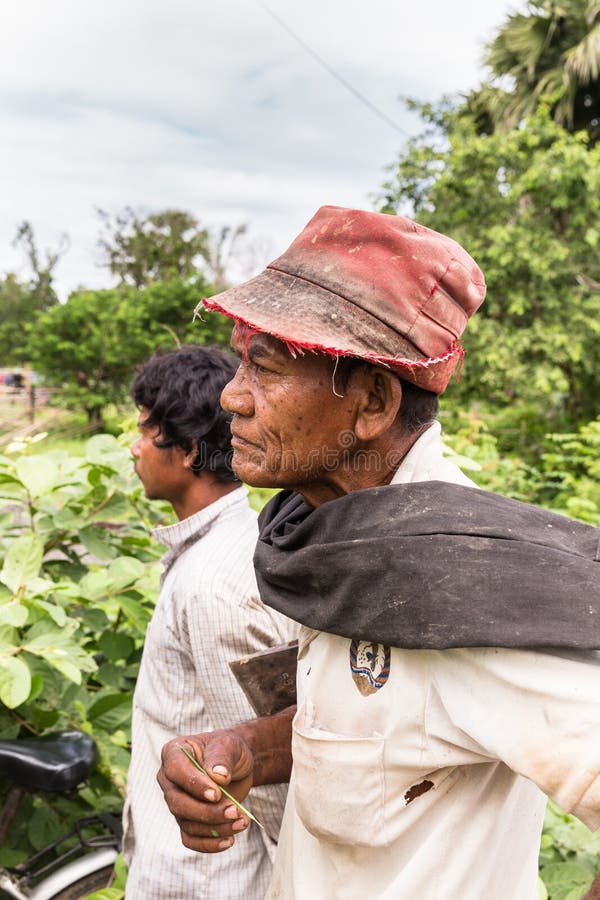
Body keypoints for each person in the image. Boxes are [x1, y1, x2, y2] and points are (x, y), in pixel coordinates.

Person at [156, 208, 600, 900]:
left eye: (265, 368)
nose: (232, 396)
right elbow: (379, 724)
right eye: (241, 362)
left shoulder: (468, 587)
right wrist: (247, 749)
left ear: (371, 403)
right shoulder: (347, 544)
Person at [123, 344, 297, 899]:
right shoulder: (227, 544)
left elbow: (261, 768)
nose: (135, 447)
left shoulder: (212, 586)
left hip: (206, 881)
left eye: (147, 431)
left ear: (190, 450)